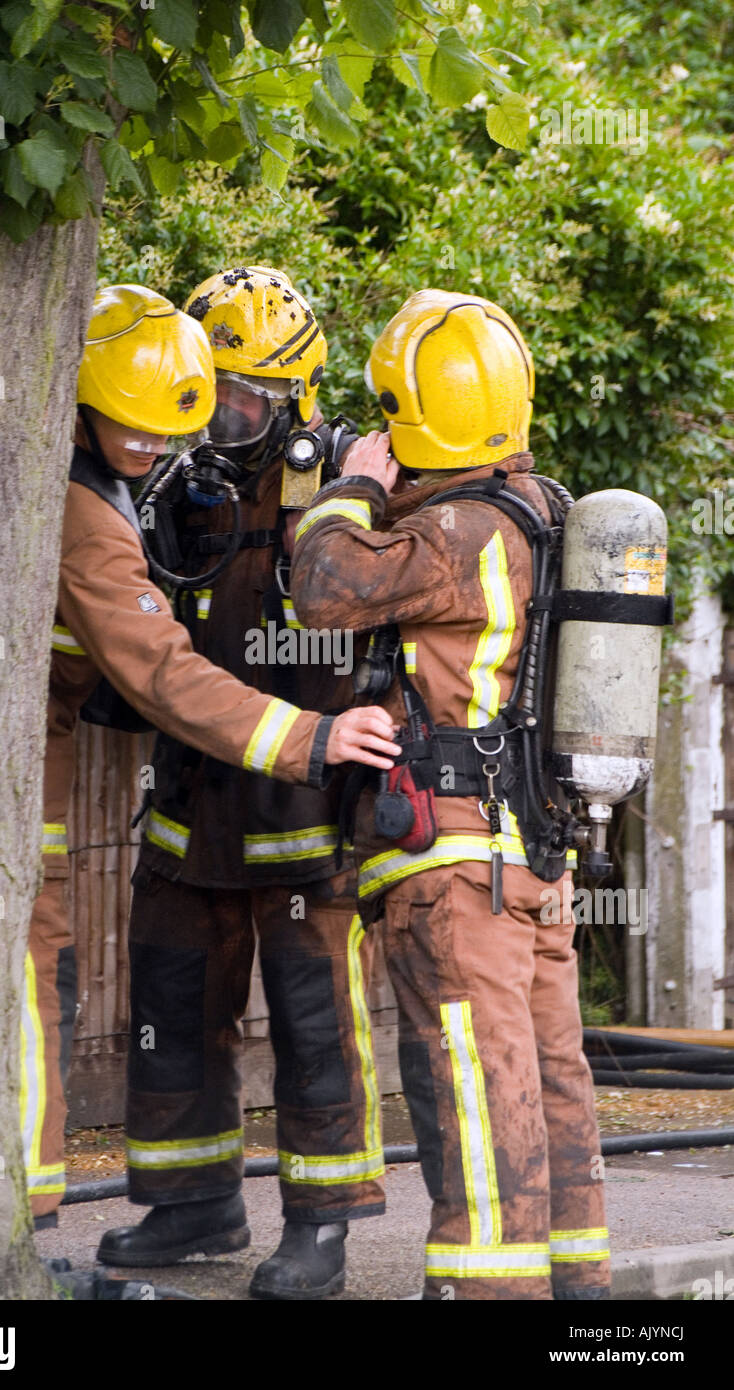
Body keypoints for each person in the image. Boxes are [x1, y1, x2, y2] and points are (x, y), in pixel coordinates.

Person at [25, 283, 398, 1233]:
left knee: (316, 1023)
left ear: (299, 403)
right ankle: (190, 1206)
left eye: (249, 404)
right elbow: (149, 659)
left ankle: (322, 1221)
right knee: (174, 1007)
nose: (222, 426)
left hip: (310, 803)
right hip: (194, 795)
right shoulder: (171, 481)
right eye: (211, 398)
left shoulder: (348, 495)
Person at [289, 289, 610, 1301]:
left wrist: (346, 487)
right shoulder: (550, 517)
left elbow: (325, 588)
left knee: (476, 1077)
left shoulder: (457, 532)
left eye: (393, 413)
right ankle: (578, 1285)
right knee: (553, 1068)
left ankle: (489, 1290)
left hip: (454, 859)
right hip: (538, 859)